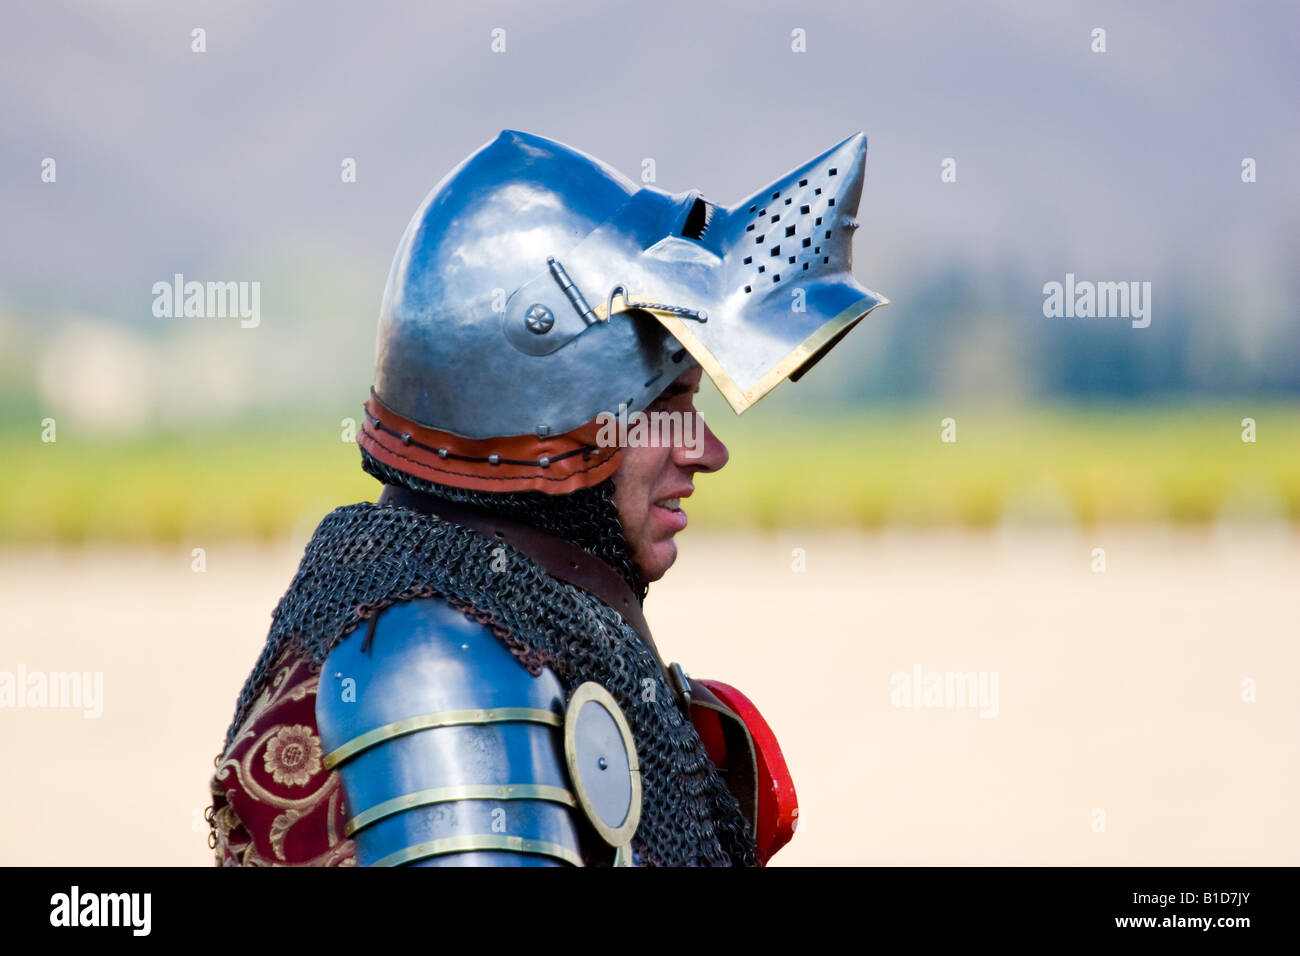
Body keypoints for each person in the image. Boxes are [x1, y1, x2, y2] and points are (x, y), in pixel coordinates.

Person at [207, 129, 886, 866]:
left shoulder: (516, 634)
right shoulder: (441, 674)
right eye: (672, 404)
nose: (707, 452)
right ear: (558, 418)